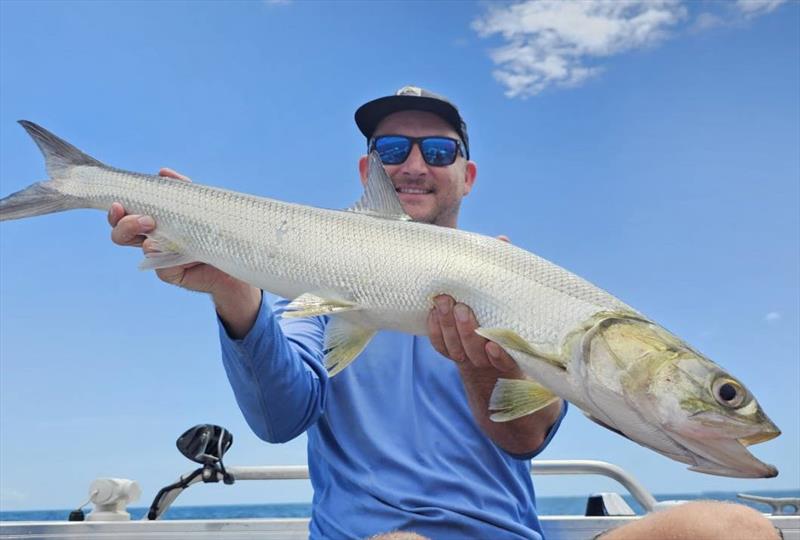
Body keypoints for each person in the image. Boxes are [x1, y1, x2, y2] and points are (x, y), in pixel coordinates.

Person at [108, 86, 780, 540]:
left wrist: (483, 370)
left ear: (468, 173)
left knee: (736, 529)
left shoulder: (522, 281)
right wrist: (235, 291)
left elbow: (523, 440)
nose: (415, 165)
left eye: (438, 150)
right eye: (393, 151)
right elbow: (280, 420)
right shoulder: (309, 293)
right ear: (370, 169)